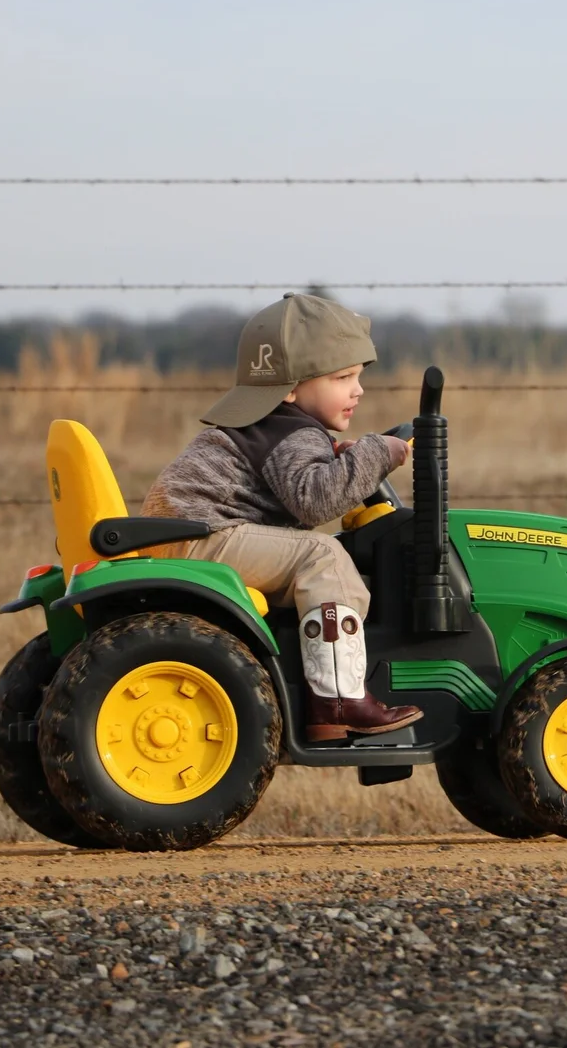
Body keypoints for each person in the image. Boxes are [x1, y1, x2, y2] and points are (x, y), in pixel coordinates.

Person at [141, 292, 423, 741]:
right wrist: (376, 453)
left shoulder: (272, 428)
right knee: (324, 557)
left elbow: (301, 482)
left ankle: (322, 693)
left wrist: (344, 461)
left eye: (358, 376)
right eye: (342, 376)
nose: (358, 389)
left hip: (183, 533)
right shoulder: (292, 433)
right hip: (203, 536)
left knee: (315, 555)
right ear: (289, 389)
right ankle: (338, 699)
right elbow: (314, 501)